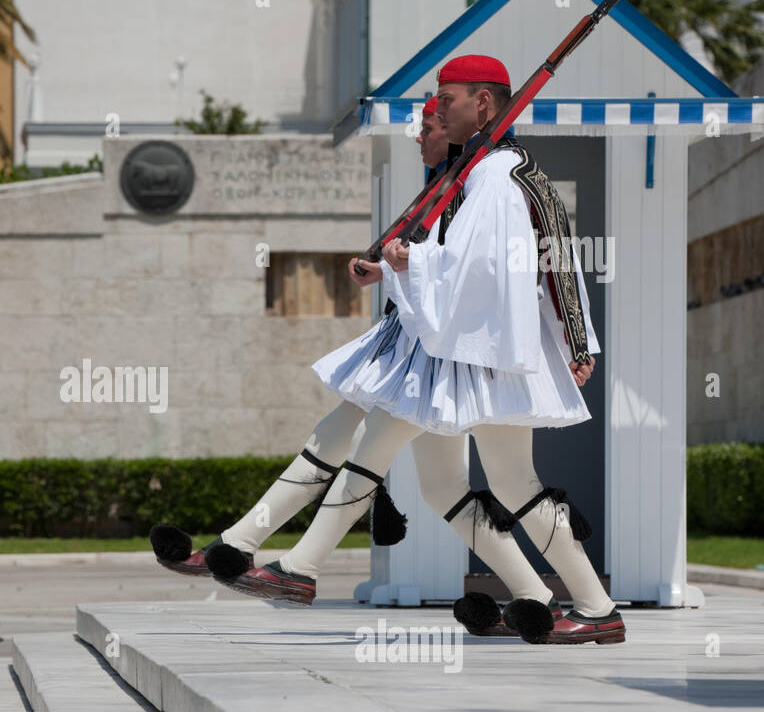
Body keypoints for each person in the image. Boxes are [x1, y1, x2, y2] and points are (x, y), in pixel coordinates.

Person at [154, 59, 624, 645]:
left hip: (469, 355)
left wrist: (412, 263)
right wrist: (400, 268)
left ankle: (296, 564)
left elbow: (489, 267)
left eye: (444, 102)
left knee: (389, 447)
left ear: (482, 102)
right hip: (460, 351)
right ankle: (562, 601)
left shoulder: (498, 175)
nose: (435, 114)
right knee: (481, 485)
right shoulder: (481, 172)